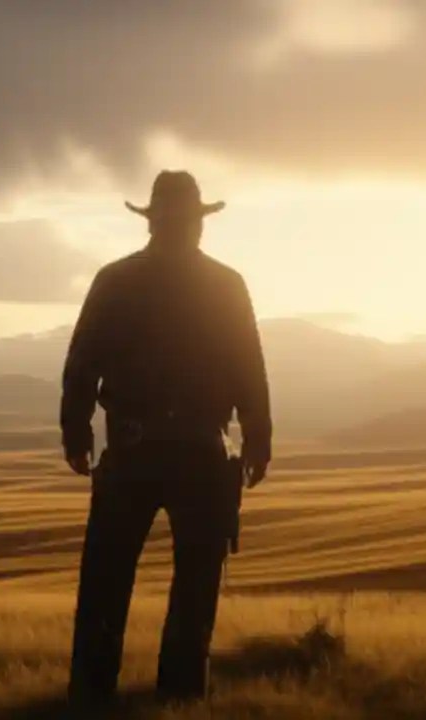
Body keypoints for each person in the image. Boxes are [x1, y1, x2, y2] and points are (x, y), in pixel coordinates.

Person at [61, 170, 272, 707]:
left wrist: (76, 429)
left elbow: (82, 362)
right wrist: (257, 438)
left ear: (153, 221)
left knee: (107, 581)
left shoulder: (115, 280)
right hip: (202, 453)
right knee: (195, 587)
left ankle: (91, 696)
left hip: (133, 450)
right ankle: (178, 698)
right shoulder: (226, 285)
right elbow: (250, 368)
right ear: (194, 224)